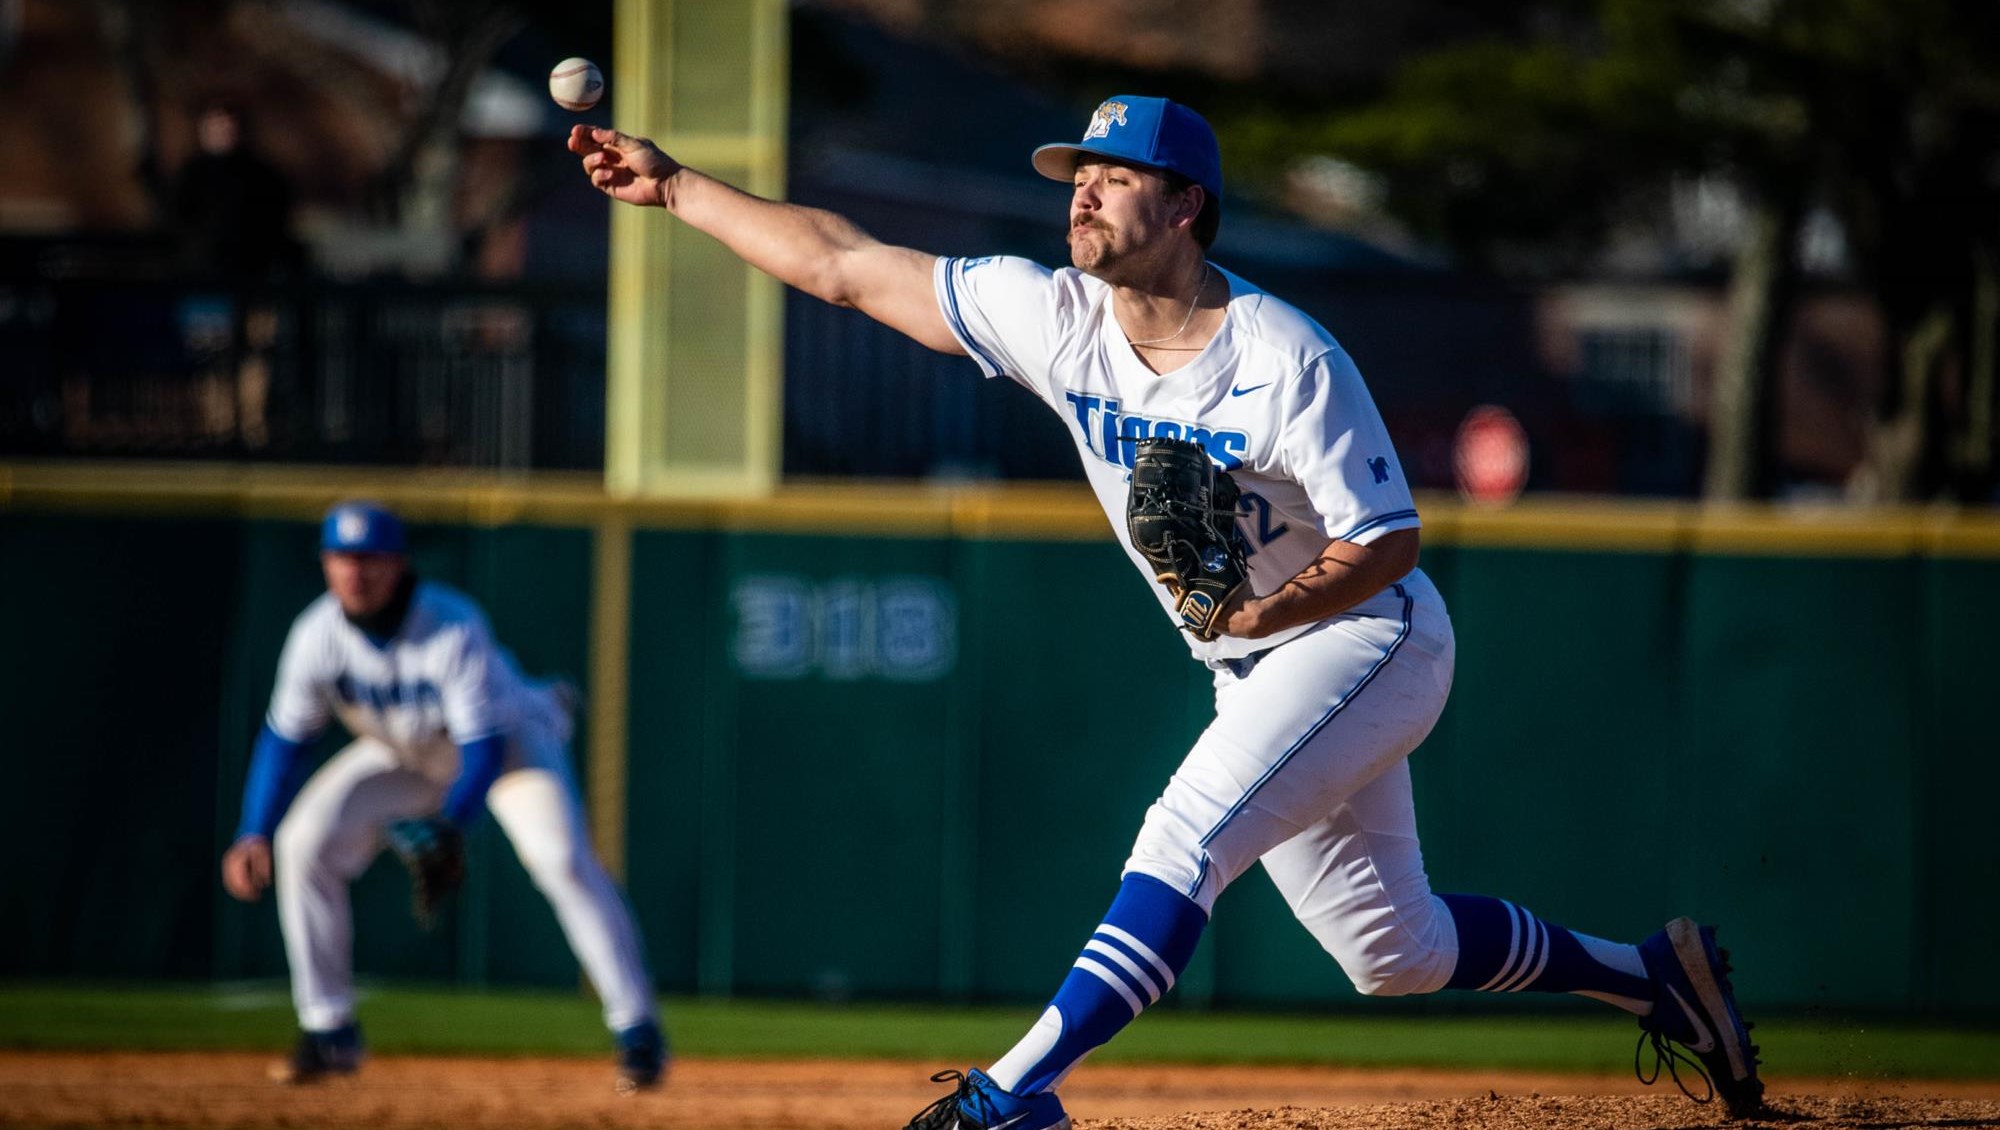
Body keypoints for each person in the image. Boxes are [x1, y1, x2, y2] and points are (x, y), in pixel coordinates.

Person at [569, 96, 1763, 1127]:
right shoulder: (1053, 318)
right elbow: (843, 261)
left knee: (1181, 836)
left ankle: (1018, 1087)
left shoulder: (1285, 356)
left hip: (1368, 636)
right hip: (1256, 666)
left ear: (1186, 204)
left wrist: (1261, 613)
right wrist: (675, 188)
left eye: (1114, 176)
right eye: (1075, 177)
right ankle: (1652, 977)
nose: (1081, 194)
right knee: (1390, 951)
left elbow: (1387, 536)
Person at [221, 501, 665, 1092]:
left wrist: (452, 824)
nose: (355, 572)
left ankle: (636, 1027)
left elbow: (481, 751)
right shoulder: (315, 636)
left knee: (560, 860)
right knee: (302, 842)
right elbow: (285, 741)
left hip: (510, 748)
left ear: (399, 564)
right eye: (342, 558)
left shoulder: (451, 624)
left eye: (370, 559)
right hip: (405, 754)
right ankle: (330, 1030)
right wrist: (253, 829)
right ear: (325, 563)